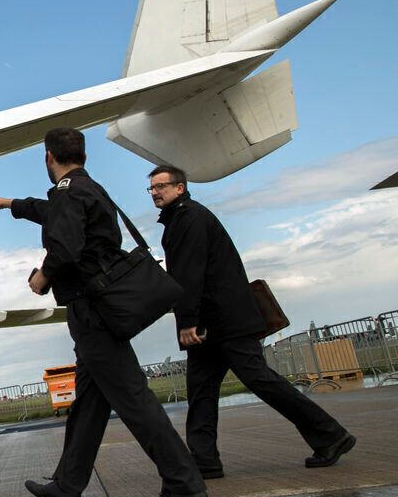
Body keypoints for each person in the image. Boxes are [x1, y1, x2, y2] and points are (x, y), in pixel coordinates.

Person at [0, 127, 207, 497]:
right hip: (99, 311)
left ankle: (184, 484)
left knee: (134, 400)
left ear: (48, 157)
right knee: (88, 404)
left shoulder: (70, 193)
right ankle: (68, 487)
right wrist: (11, 204)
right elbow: (50, 211)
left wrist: (43, 276)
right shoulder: (88, 189)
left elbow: (66, 247)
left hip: (92, 312)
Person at [149, 164, 356, 475]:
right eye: (151, 188)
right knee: (201, 392)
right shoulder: (181, 219)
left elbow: (192, 273)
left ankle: (331, 435)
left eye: (161, 186)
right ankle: (205, 461)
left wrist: (187, 320)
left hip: (224, 322)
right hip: (213, 324)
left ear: (180, 187)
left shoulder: (188, 218)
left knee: (260, 381)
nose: (155, 192)